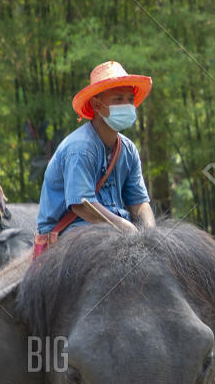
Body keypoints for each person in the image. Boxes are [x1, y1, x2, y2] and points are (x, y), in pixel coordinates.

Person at [34, 61, 155, 256]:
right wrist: (125, 227)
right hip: (74, 233)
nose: (127, 105)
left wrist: (151, 235)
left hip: (114, 231)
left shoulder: (128, 150)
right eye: (118, 99)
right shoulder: (80, 148)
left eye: (130, 99)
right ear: (97, 105)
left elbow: (139, 201)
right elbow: (82, 205)